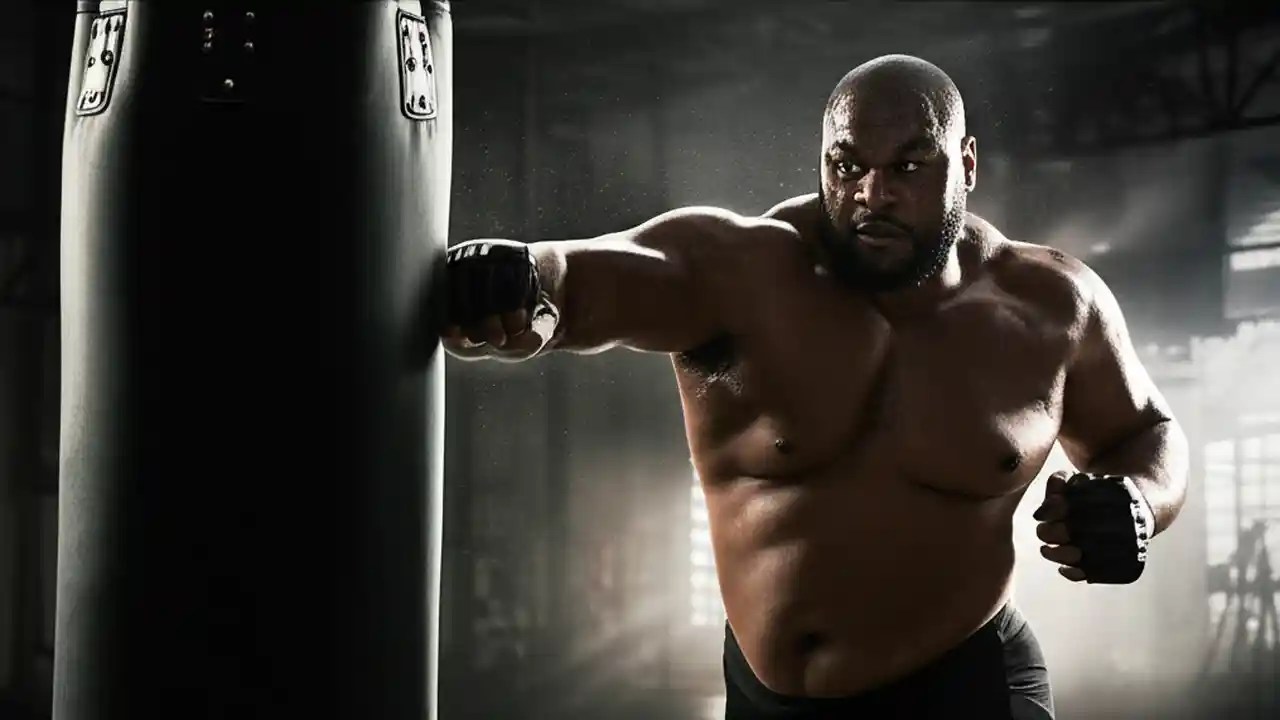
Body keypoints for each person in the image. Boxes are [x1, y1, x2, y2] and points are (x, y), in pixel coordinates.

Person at [442, 54, 1189, 719]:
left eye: (909, 165)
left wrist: (1140, 502)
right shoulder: (741, 273)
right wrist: (517, 279)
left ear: (966, 162)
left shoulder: (1052, 305)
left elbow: (1146, 431)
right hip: (771, 699)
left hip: (968, 684)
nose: (873, 192)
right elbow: (584, 276)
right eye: (847, 164)